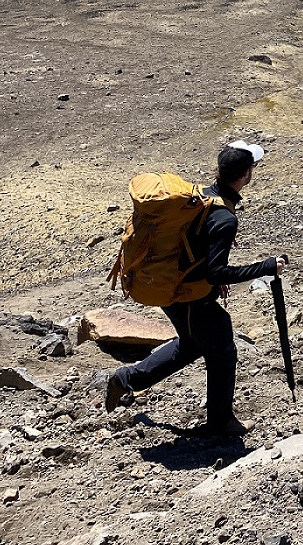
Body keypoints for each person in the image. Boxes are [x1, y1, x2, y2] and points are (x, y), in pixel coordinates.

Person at [105, 140, 282, 438]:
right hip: (187, 296)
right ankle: (221, 422)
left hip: (172, 286)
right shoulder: (225, 217)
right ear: (245, 176)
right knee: (221, 348)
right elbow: (216, 272)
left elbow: (196, 247)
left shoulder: (202, 196)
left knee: (193, 345)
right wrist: (266, 266)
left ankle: (125, 380)